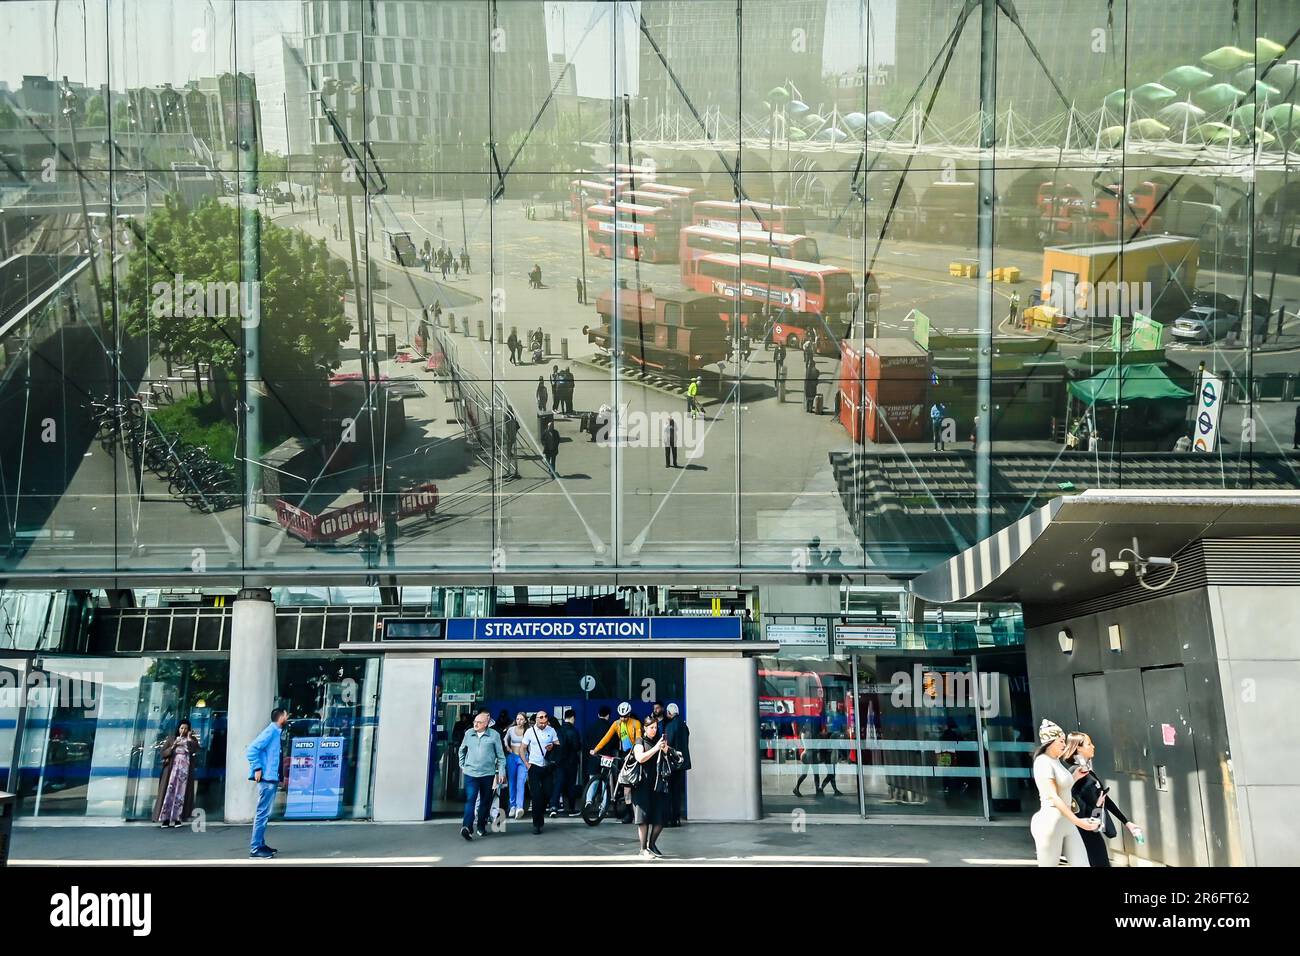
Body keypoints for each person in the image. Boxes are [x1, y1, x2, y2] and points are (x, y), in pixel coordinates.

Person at [1063, 732, 1143, 867]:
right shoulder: (1075, 773)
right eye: (1089, 744)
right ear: (1078, 748)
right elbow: (1076, 808)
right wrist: (1097, 806)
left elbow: (1105, 799)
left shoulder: (1088, 772)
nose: (1093, 746)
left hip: (1092, 829)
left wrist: (1126, 822)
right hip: (1083, 832)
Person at [1030, 719, 1099, 866]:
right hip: (1050, 821)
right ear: (1050, 742)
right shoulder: (1043, 762)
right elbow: (1053, 796)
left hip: (1066, 820)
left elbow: (1063, 789)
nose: (1064, 745)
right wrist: (1079, 822)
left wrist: (1074, 777)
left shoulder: (1055, 761)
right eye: (1060, 741)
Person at [245, 708, 289, 859]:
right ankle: (256, 848)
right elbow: (251, 749)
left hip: (271, 778)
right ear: (281, 717)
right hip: (266, 779)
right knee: (262, 813)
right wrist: (257, 767)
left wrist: (279, 777)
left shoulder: (276, 733)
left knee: (264, 813)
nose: (288, 717)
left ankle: (260, 844)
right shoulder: (270, 732)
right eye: (286, 714)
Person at [589, 702, 643, 823]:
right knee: (626, 787)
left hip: (636, 753)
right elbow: (606, 737)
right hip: (624, 755)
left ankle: (639, 811)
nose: (623, 718)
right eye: (620, 716)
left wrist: (635, 752)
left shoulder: (636, 723)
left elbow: (639, 739)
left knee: (636, 784)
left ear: (629, 714)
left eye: (625, 716)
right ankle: (629, 814)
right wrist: (596, 749)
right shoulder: (616, 724)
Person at [457, 710, 506, 840]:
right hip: (471, 773)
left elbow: (501, 756)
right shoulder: (469, 733)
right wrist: (463, 765)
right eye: (475, 722)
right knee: (471, 799)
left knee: (485, 801)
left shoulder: (494, 735)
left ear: (486, 724)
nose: (476, 724)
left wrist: (501, 771)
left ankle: (481, 826)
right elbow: (462, 750)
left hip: (487, 774)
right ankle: (467, 827)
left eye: (479, 722)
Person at [631, 713, 674, 858]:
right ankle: (643, 849)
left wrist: (665, 749)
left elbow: (667, 758)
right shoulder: (639, 741)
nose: (654, 730)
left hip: (658, 784)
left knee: (660, 818)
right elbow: (640, 758)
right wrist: (656, 748)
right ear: (645, 728)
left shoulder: (659, 741)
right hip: (642, 784)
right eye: (651, 727)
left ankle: (652, 844)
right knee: (643, 819)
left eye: (656, 727)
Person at [153, 720, 200, 828]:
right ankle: (165, 819)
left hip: (184, 771)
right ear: (178, 729)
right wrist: (173, 745)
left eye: (186, 728)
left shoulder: (191, 739)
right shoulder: (171, 739)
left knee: (181, 794)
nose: (183, 730)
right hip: (172, 770)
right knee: (169, 793)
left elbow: (195, 749)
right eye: (181, 728)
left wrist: (189, 738)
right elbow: (163, 753)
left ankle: (178, 818)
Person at [523, 710, 559, 833]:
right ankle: (536, 823)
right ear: (537, 719)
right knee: (536, 795)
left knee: (548, 793)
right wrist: (526, 763)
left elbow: (558, 744)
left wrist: (553, 747)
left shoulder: (551, 730)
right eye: (541, 722)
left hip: (547, 766)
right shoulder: (529, 732)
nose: (543, 724)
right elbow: (522, 749)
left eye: (545, 722)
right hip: (534, 766)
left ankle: (540, 813)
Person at [663, 703, 690, 826]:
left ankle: (670, 818)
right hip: (682, 762)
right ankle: (677, 818)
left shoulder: (670, 726)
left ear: (669, 713)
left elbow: (667, 745)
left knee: (669, 791)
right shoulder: (684, 726)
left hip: (671, 763)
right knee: (677, 792)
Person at [551, 709, 583, 815]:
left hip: (559, 761)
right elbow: (577, 747)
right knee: (571, 785)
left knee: (558, 784)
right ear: (573, 717)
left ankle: (554, 806)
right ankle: (571, 808)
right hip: (571, 762)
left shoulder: (558, 730)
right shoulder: (574, 731)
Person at [504, 712, 530, 819]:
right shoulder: (511, 729)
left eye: (521, 719)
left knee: (521, 782)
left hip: (523, 758)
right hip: (512, 757)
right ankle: (512, 806)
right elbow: (505, 739)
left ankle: (519, 807)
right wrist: (507, 747)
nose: (519, 721)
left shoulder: (528, 731)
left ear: (525, 720)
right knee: (512, 782)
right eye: (517, 719)